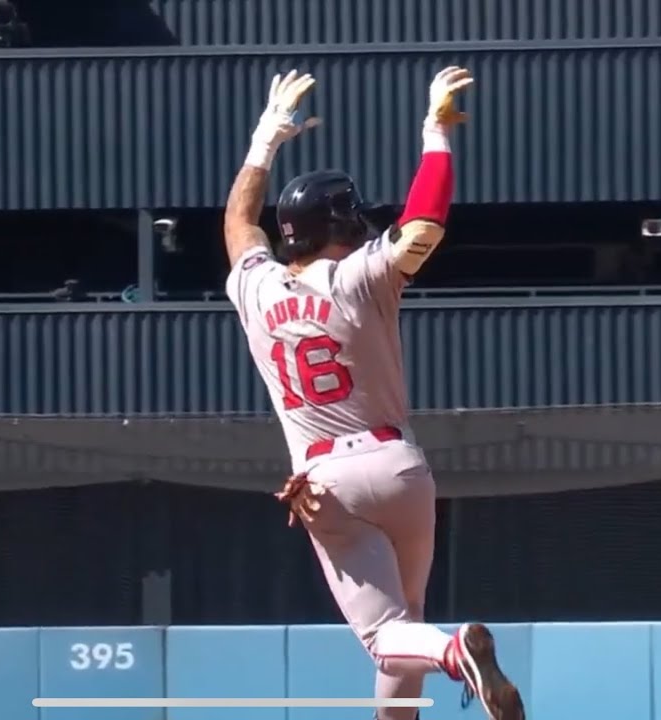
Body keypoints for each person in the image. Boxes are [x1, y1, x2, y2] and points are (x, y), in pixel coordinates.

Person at [222, 69, 526, 720]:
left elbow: (238, 224)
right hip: (399, 467)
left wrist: (264, 141)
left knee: (388, 638)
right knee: (402, 630)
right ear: (346, 222)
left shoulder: (254, 287)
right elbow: (424, 225)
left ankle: (455, 654)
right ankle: (446, 656)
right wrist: (435, 133)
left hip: (326, 481)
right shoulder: (360, 277)